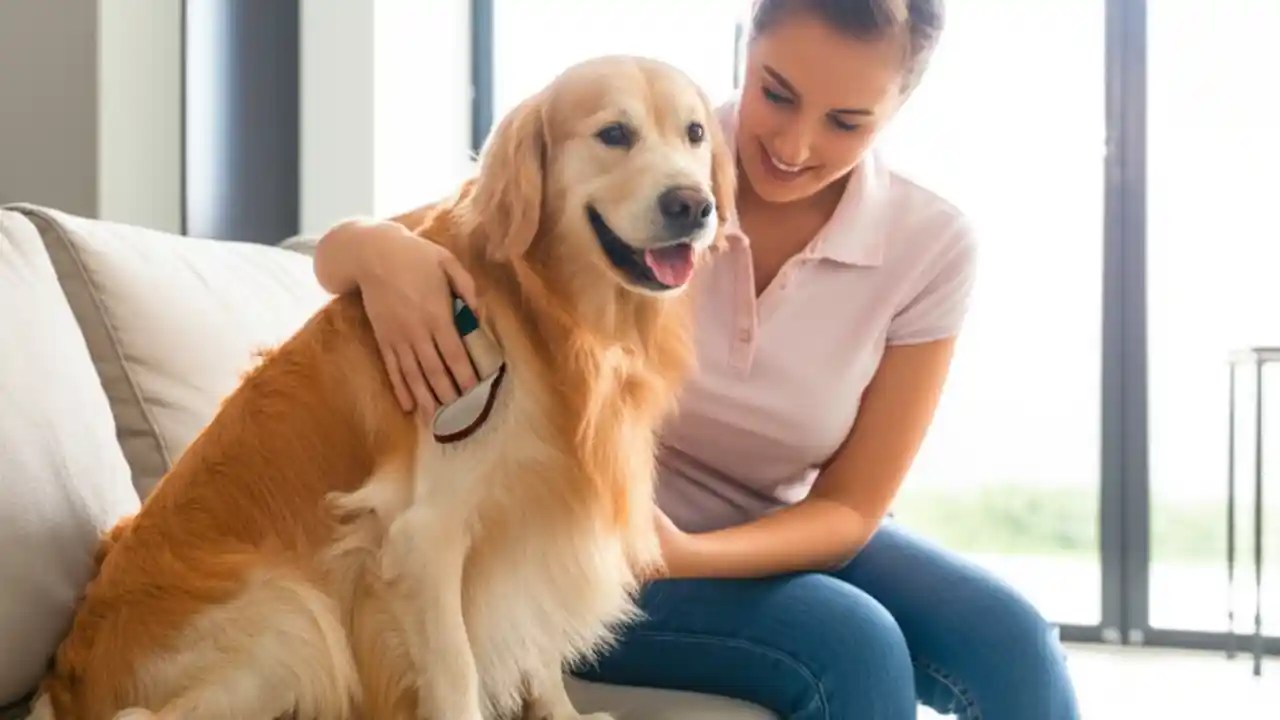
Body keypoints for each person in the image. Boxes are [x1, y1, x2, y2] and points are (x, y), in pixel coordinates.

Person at [312, 1, 1081, 717]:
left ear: (897, 111)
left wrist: (688, 553)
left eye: (847, 122)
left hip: (771, 528)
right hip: (594, 544)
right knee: (854, 643)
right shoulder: (652, 155)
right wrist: (371, 247)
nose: (793, 146)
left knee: (1013, 641)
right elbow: (442, 226)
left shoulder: (928, 245)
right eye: (775, 94)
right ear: (745, 53)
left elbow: (849, 509)